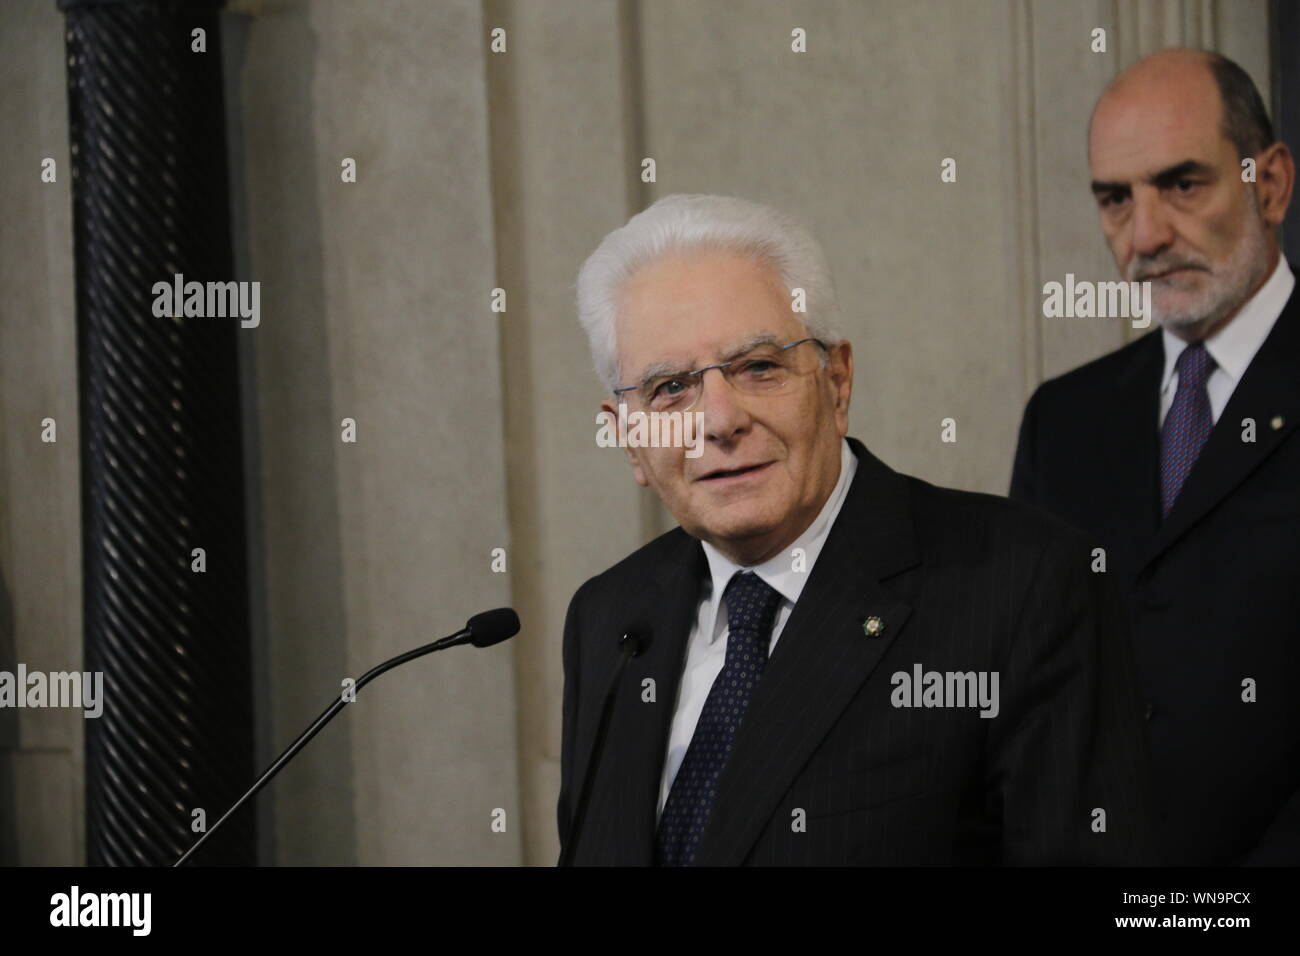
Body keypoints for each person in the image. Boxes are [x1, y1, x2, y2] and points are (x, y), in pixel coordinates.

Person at [558, 193, 1153, 865]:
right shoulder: (607, 619)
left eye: (758, 367)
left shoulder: (1021, 584)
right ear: (629, 439)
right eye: (670, 388)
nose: (719, 421)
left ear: (836, 383)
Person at [1011, 48, 1298, 865]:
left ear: (1269, 184)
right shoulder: (1062, 420)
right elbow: (1035, 698)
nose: (1145, 236)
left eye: (1182, 184)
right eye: (1115, 198)